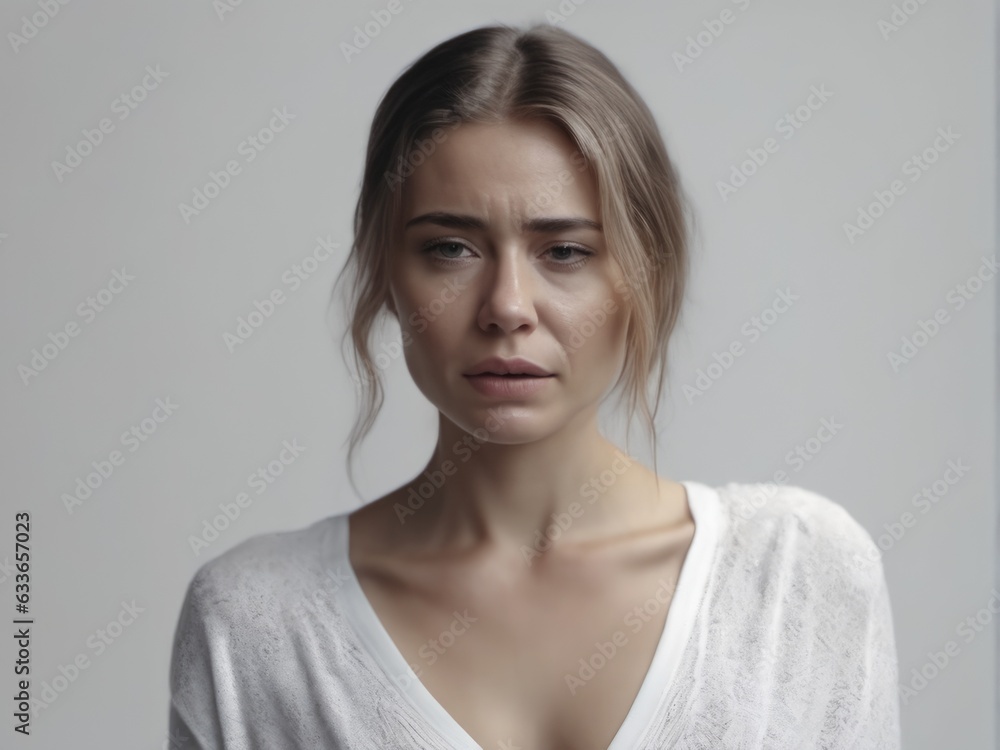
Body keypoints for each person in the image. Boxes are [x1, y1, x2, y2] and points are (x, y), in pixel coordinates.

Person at [167, 22, 901, 750]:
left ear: (646, 274)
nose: (507, 306)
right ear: (386, 274)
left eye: (565, 250)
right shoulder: (256, 621)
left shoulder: (794, 580)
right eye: (450, 248)